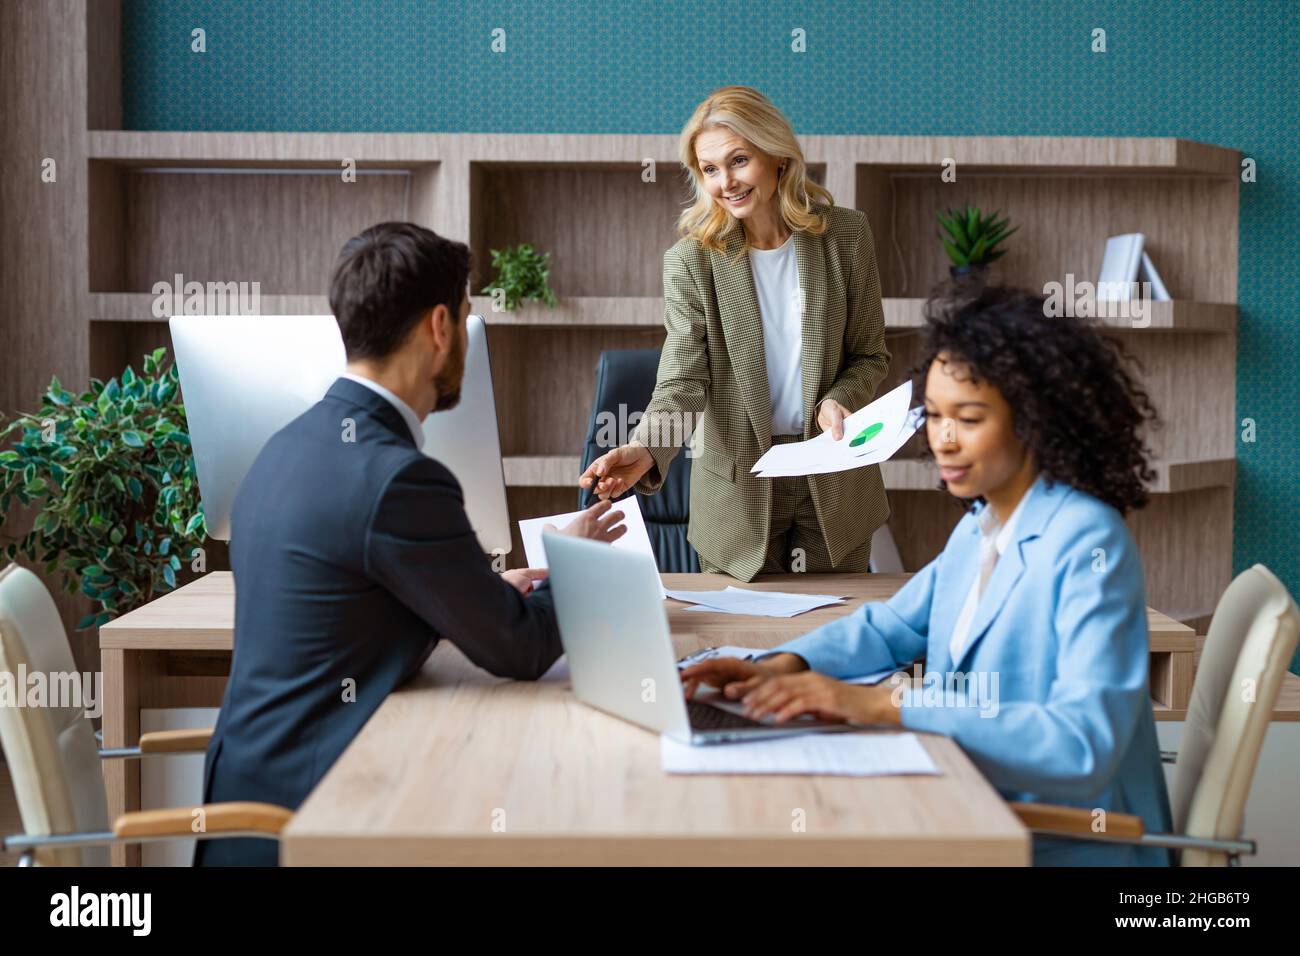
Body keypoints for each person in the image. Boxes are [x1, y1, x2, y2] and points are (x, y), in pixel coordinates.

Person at [682, 282, 1173, 866]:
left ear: (1034, 420)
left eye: (967, 418)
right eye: (933, 416)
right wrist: (782, 664)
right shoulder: (982, 524)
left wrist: (886, 706)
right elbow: (892, 628)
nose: (941, 440)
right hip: (975, 806)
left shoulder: (1088, 541)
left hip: (1069, 840)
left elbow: (1082, 744)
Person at [196, 222, 625, 866]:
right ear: (439, 328)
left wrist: (469, 600)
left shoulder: (287, 445)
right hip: (315, 822)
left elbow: (350, 611)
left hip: (246, 807)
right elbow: (523, 649)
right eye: (467, 318)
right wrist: (574, 558)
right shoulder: (399, 477)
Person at [578, 86, 890, 581]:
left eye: (739, 160)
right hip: (738, 495)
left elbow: (869, 355)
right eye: (710, 169)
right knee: (740, 644)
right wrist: (645, 449)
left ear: (777, 156)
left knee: (832, 645)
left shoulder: (846, 237)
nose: (726, 182)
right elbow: (683, 381)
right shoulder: (691, 263)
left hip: (832, 483)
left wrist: (838, 399)